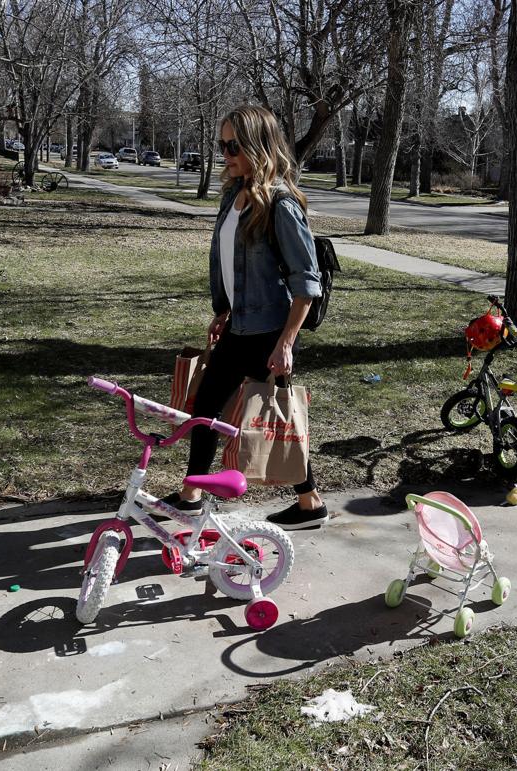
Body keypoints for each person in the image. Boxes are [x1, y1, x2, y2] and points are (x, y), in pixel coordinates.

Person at [161, 104, 328, 529]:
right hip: (238, 325)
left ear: (258, 144)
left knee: (277, 418)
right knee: (207, 409)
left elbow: (305, 280)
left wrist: (286, 343)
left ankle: (308, 503)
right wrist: (224, 309)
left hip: (268, 332)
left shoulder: (280, 204)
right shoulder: (231, 197)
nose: (226, 153)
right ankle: (193, 494)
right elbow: (230, 265)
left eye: (234, 145)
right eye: (222, 145)